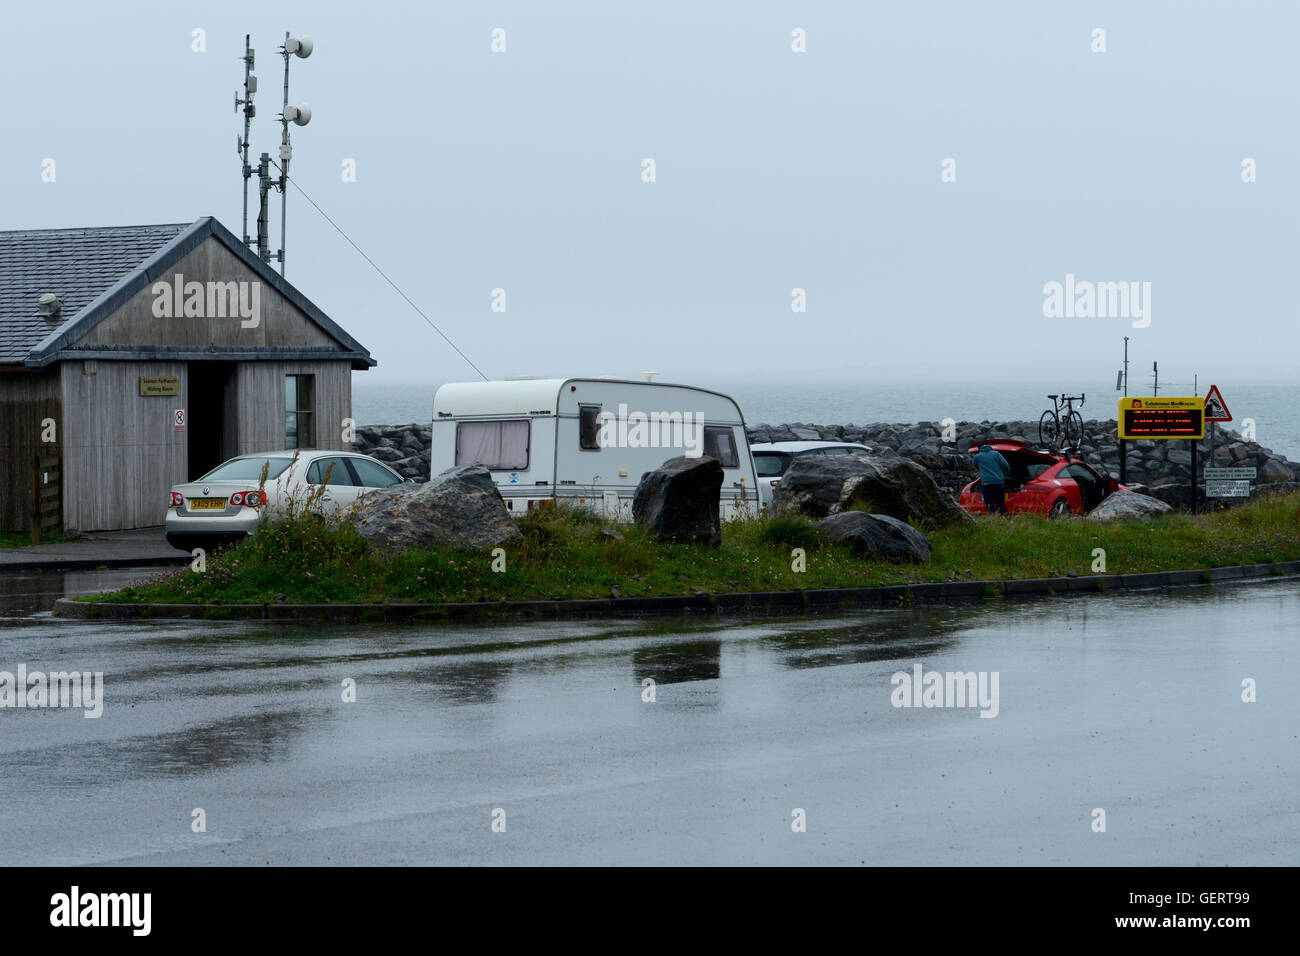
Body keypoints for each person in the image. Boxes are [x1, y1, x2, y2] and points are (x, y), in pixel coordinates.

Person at [972, 443, 1011, 515]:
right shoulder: (996, 454)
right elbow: (1006, 465)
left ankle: (992, 519)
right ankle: (1003, 518)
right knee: (1001, 504)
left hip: (986, 484)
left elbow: (974, 465)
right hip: (999, 483)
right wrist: (1005, 474)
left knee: (990, 505)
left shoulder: (977, 456)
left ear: (979, 449)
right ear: (989, 447)